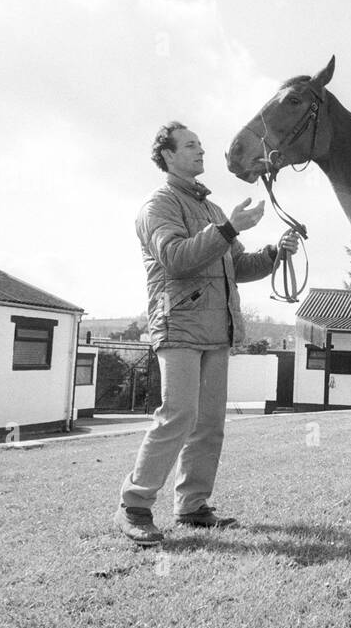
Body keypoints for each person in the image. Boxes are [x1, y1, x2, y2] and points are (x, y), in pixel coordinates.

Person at [113, 121, 300, 545]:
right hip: (178, 325)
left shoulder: (214, 212)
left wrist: (274, 253)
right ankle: (136, 506)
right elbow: (177, 259)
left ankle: (193, 506)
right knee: (178, 415)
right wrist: (230, 229)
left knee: (210, 423)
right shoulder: (157, 205)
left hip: (217, 329)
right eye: (191, 146)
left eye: (200, 145)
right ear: (167, 155)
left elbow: (238, 265)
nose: (201, 152)